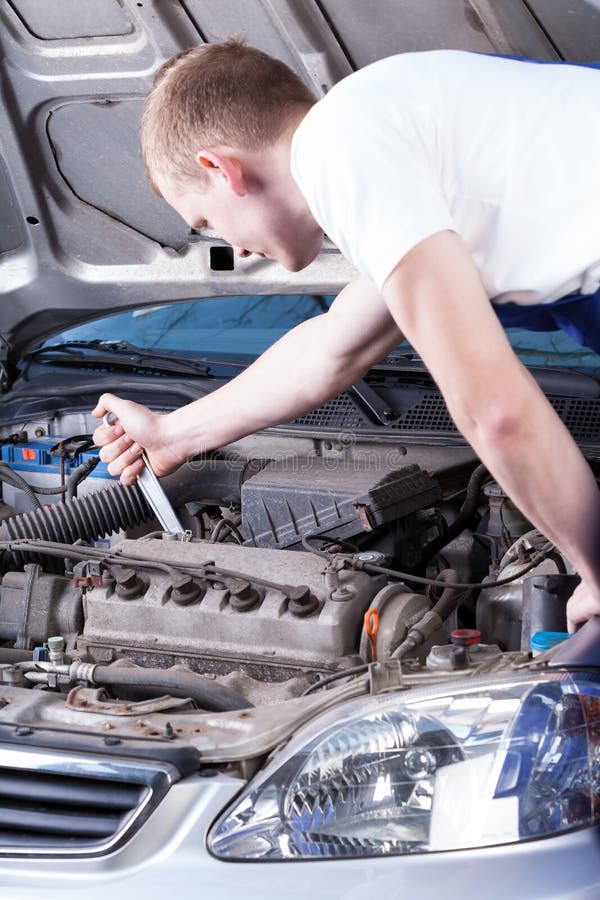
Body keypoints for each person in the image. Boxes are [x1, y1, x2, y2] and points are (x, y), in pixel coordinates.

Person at [92, 40, 600, 633]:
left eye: (205, 223)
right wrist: (174, 434)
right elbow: (336, 345)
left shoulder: (345, 148)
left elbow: (495, 413)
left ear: (220, 168)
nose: (231, 249)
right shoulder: (381, 125)